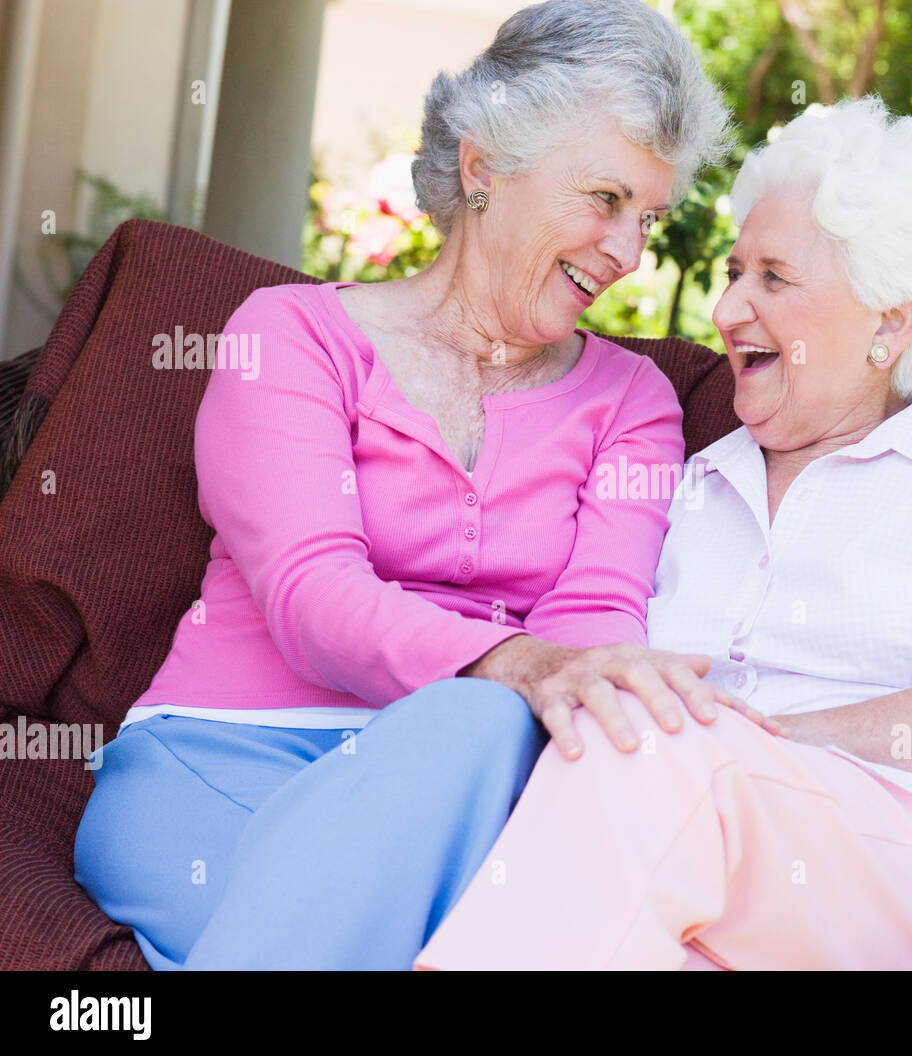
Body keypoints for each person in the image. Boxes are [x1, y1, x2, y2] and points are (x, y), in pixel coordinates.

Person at [71, 0, 759, 971]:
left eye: (648, 217)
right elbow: (311, 594)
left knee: (474, 734)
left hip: (469, 789)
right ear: (484, 167)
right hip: (230, 762)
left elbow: (598, 622)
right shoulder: (291, 336)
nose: (627, 251)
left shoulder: (632, 401)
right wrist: (518, 665)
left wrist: (526, 686)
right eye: (605, 198)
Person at [415, 96, 912, 971]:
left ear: (891, 321)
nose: (728, 308)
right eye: (734, 272)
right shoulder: (677, 487)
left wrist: (761, 745)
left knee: (651, 754)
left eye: (773, 278)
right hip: (725, 875)